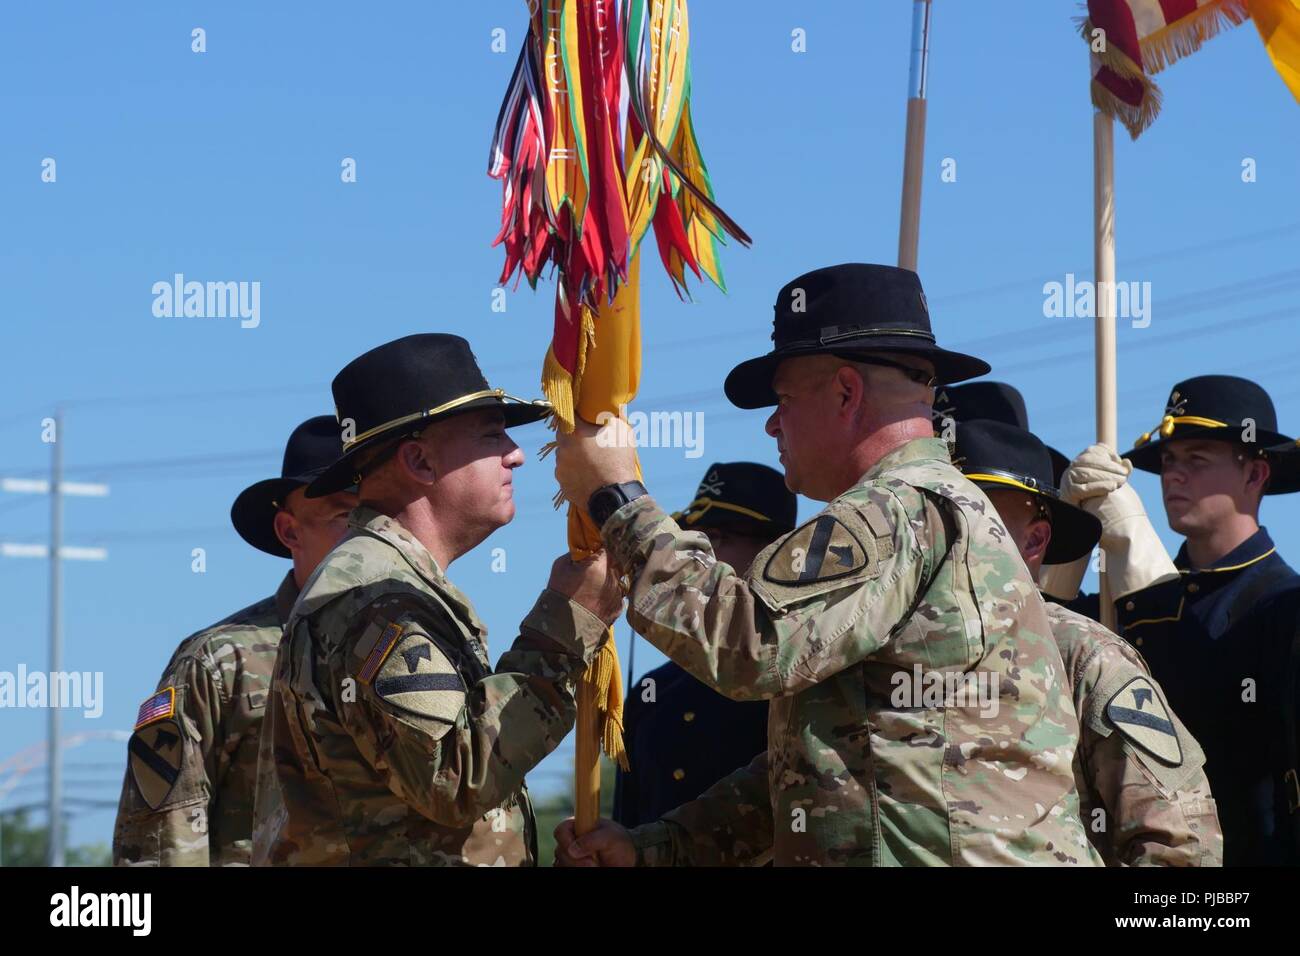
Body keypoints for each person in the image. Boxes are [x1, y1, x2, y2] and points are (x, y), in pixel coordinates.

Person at [553, 263, 1101, 866]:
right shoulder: (929, 506)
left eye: (784, 398)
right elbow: (824, 764)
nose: (771, 422)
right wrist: (655, 848)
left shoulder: (897, 510)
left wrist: (618, 499)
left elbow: (749, 643)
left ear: (846, 392)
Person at [251, 333, 624, 866]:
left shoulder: (391, 586)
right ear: (420, 462)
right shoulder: (371, 598)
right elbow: (456, 777)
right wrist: (564, 628)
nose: (516, 455)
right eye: (492, 436)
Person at [112, 416, 357, 866]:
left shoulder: (420, 645)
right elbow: (161, 844)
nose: (370, 533)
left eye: (379, 515)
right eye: (346, 515)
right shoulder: (221, 662)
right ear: (289, 531)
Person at [1107, 375, 1300, 865]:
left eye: (1196, 459)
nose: (1173, 475)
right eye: (1169, 461)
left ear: (1256, 475)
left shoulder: (1283, 606)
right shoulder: (1127, 599)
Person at [614, 461, 794, 830]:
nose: (703, 551)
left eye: (720, 534)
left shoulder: (796, 672)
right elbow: (629, 818)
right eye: (695, 534)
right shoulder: (654, 692)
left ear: (776, 548)